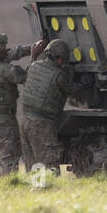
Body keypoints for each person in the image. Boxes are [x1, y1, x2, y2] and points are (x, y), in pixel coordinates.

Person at [0, 31, 44, 175]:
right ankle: (10, 186)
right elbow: (28, 77)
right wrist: (34, 56)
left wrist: (32, 47)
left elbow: (12, 54)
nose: (7, 48)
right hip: (3, 122)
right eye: (4, 46)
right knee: (10, 160)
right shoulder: (4, 70)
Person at [19, 38, 76, 175]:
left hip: (25, 121)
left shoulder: (34, 66)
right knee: (50, 163)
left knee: (32, 165)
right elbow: (71, 90)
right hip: (41, 124)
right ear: (60, 59)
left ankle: (36, 191)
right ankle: (49, 193)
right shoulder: (59, 75)